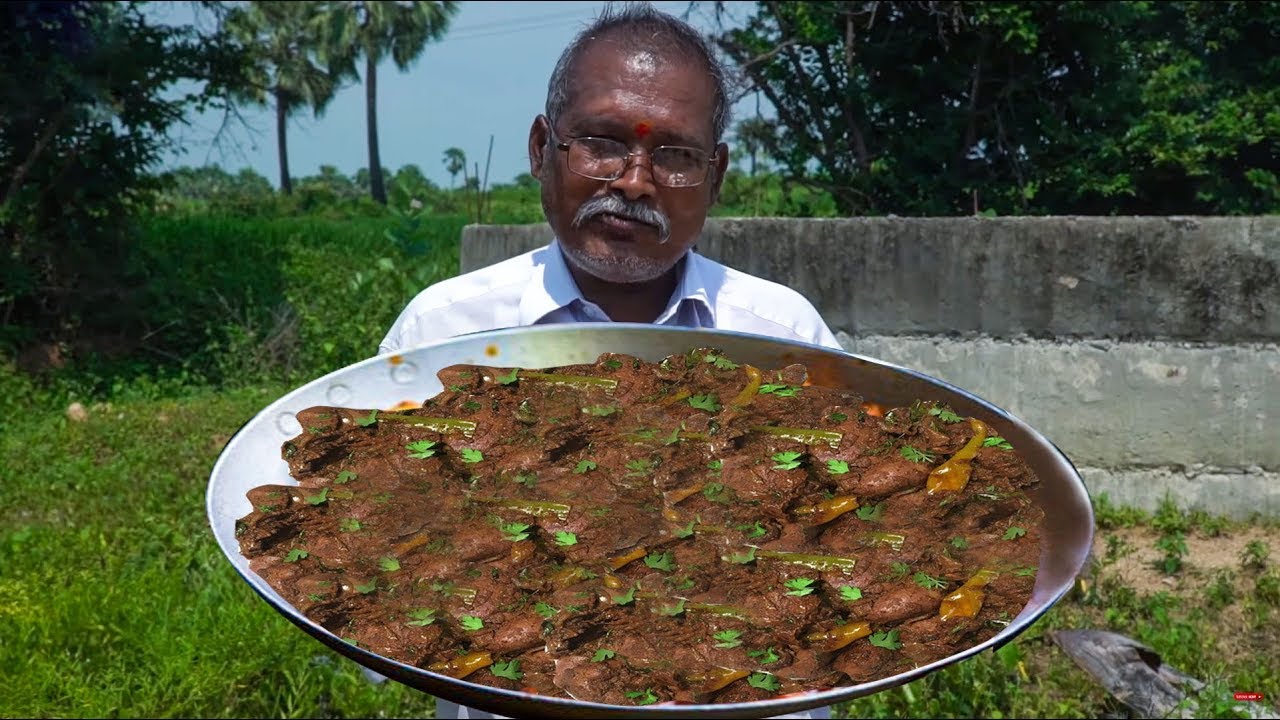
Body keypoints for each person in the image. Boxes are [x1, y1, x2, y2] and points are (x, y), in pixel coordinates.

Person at [378, 3, 839, 718]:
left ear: (715, 174)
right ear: (542, 148)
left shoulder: (784, 339)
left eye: (675, 155)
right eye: (601, 143)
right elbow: (380, 569)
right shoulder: (446, 334)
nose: (634, 181)